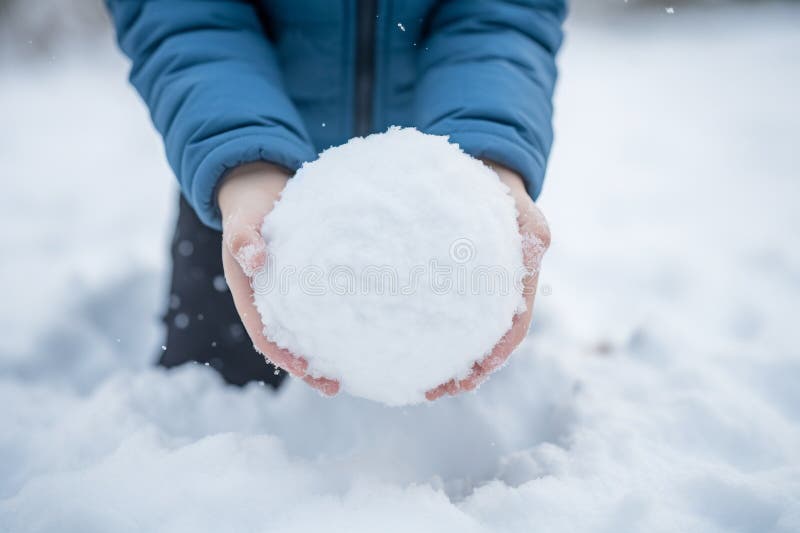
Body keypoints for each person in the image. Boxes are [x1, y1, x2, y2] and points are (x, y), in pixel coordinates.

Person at [106, 0, 565, 398]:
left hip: (443, 190)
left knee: (475, 399)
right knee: (214, 395)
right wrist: (244, 161)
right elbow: (186, 17)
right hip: (251, 183)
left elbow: (501, 15)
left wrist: (488, 163)